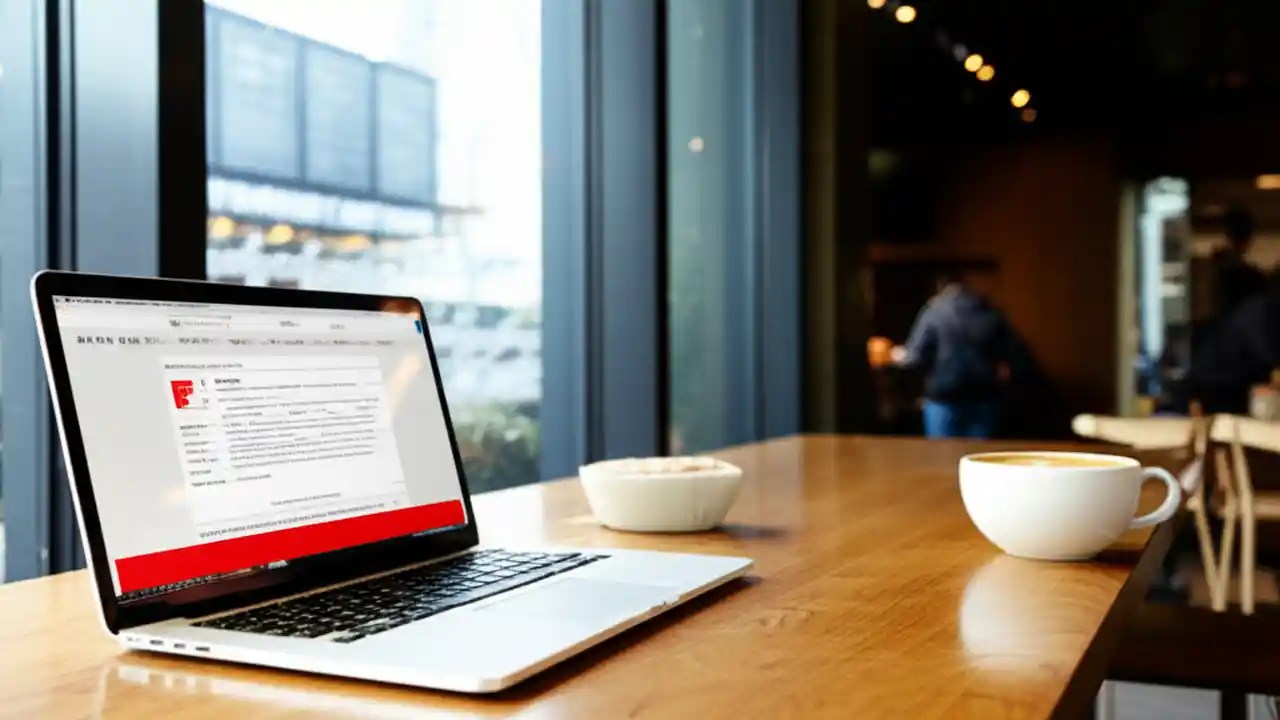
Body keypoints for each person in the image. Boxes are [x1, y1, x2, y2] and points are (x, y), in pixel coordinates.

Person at [893, 275, 1025, 439]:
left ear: (940, 290)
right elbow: (1012, 355)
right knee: (978, 452)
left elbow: (914, 357)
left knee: (940, 452)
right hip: (984, 395)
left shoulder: (934, 312)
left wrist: (897, 355)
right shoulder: (990, 311)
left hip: (944, 396)